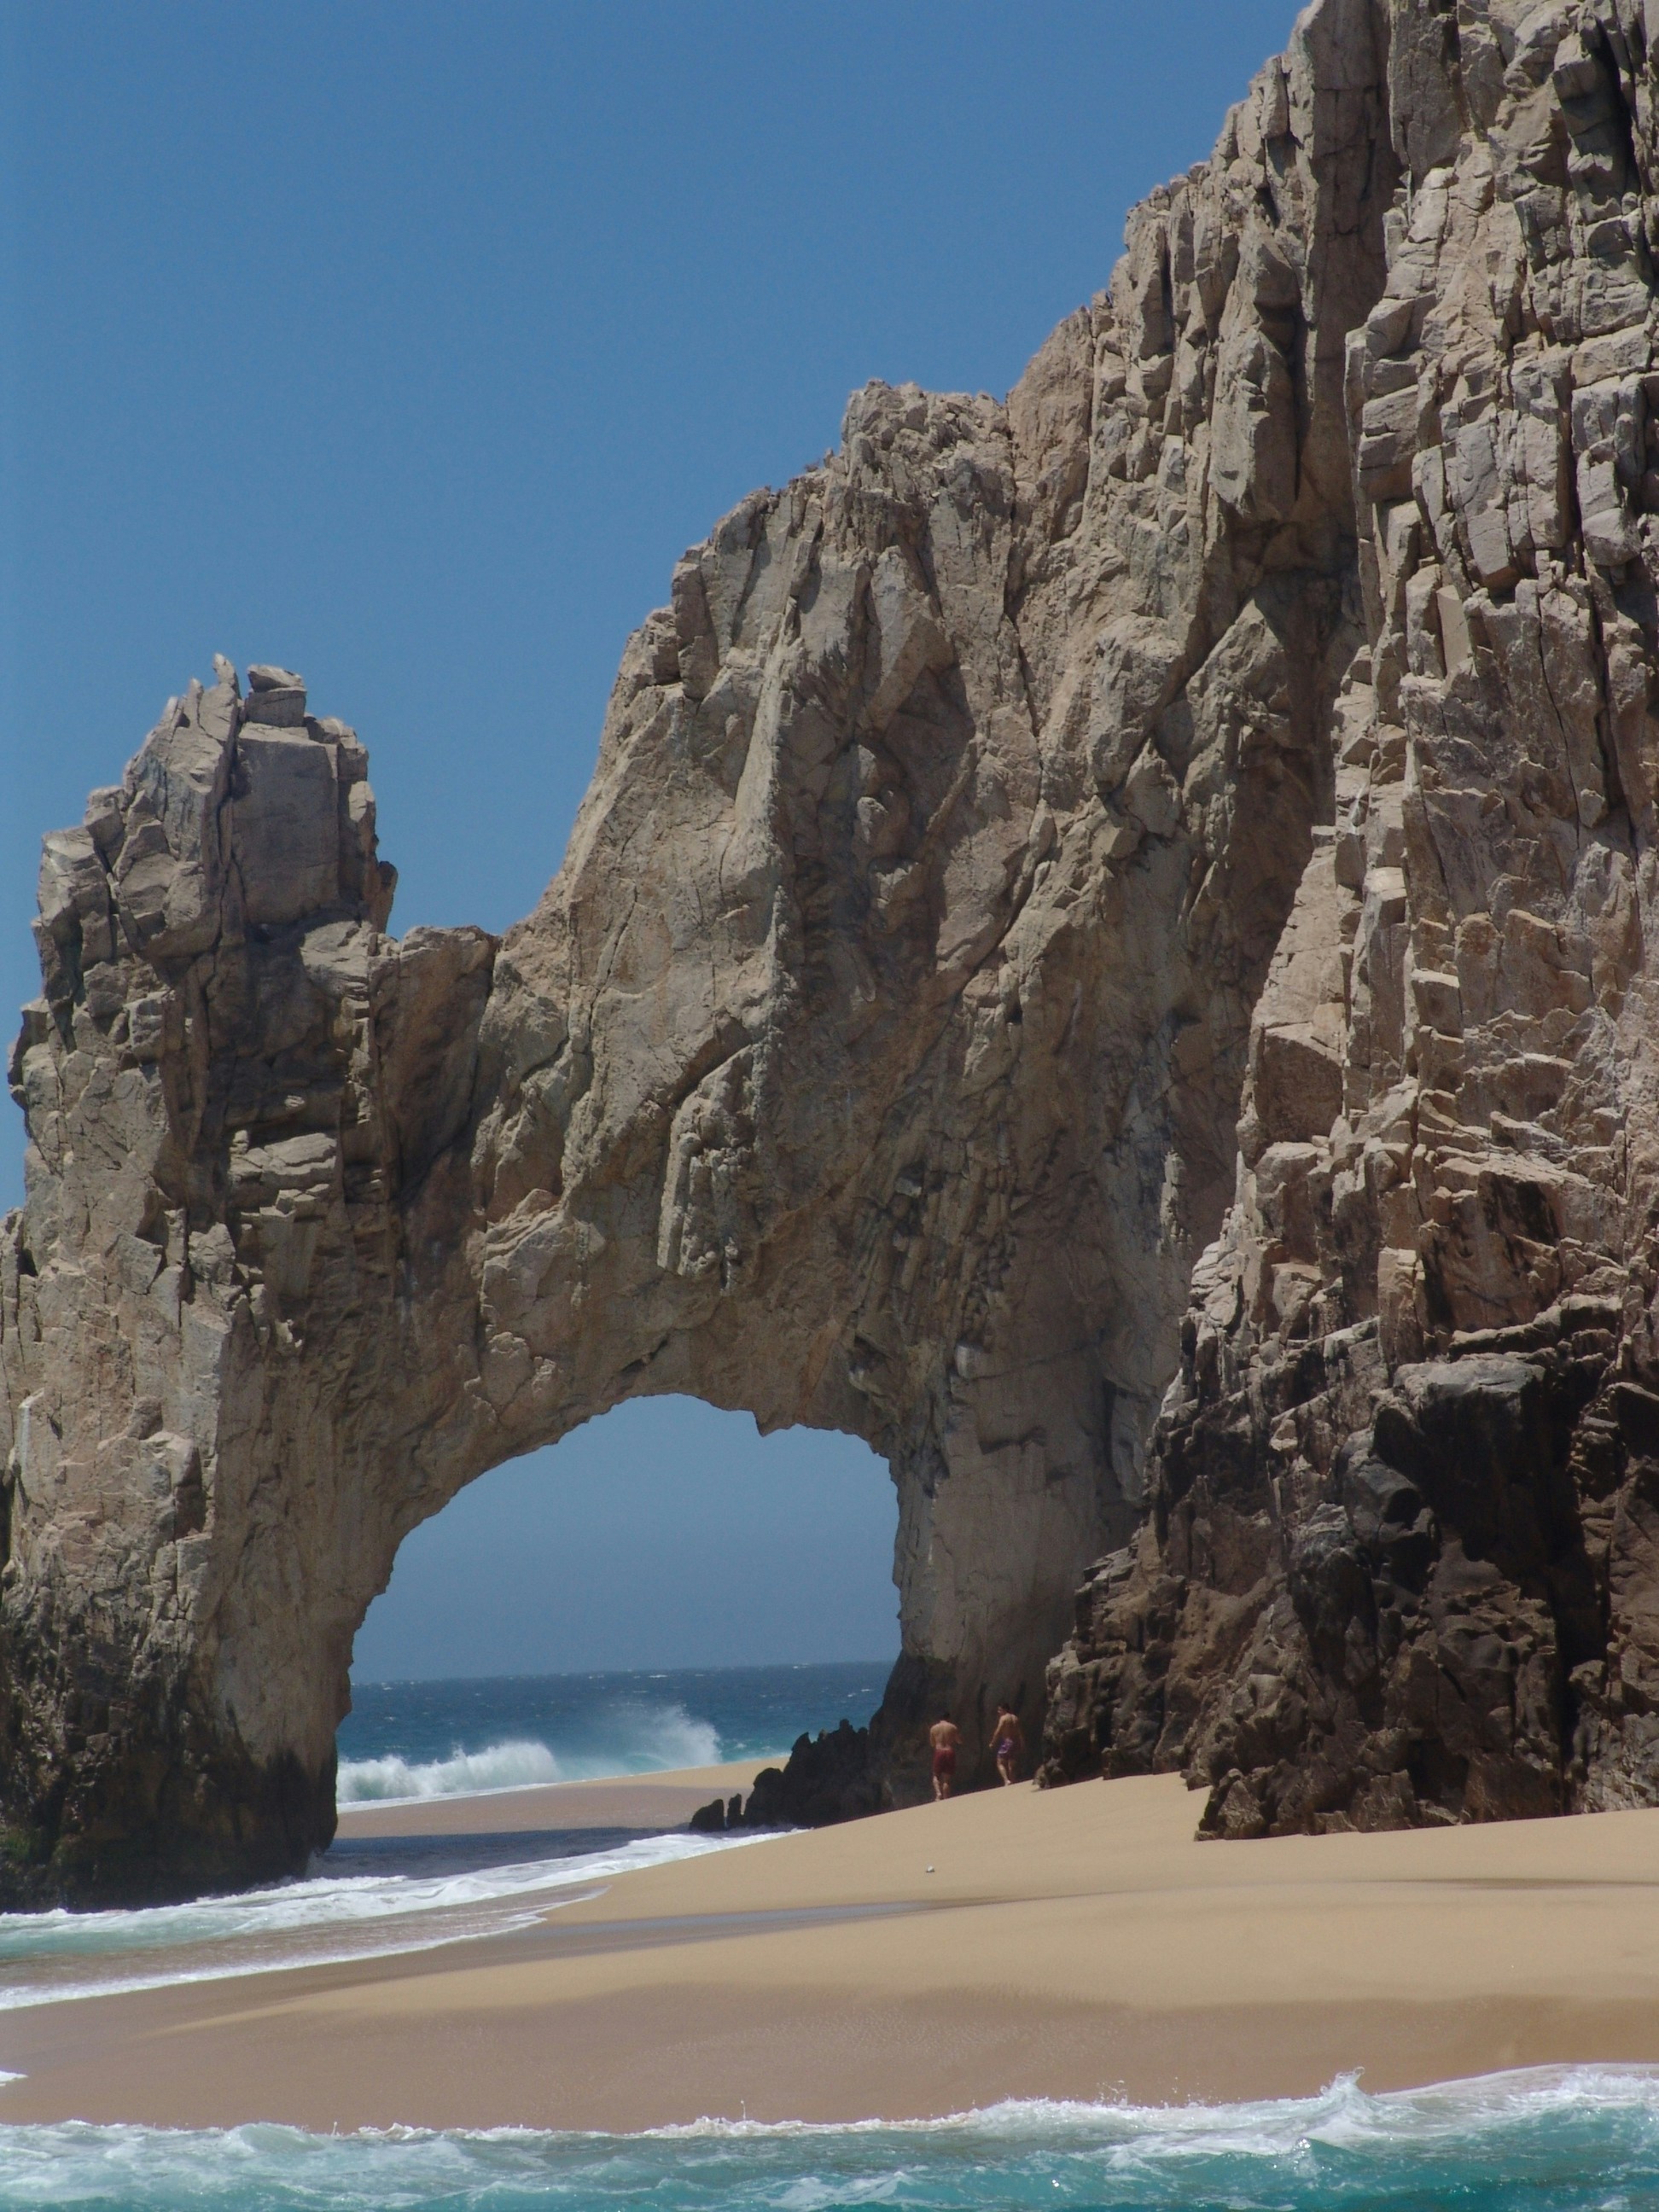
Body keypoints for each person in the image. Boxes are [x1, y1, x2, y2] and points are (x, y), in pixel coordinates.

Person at [989, 1703, 1025, 1785]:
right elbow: (1020, 1732)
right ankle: (1012, 1780)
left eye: (1000, 1710)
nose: (998, 1712)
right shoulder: (1015, 1718)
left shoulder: (1003, 1718)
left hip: (1007, 1742)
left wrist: (992, 1742)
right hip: (1015, 1742)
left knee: (1000, 1762)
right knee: (1011, 1762)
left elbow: (998, 1730)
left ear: (1005, 1710)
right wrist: (1022, 1743)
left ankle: (1006, 1780)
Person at [929, 1714, 961, 1800]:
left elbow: (932, 1743)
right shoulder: (953, 1727)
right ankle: (946, 1799)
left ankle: (938, 1793)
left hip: (939, 1751)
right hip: (949, 1751)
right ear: (948, 1718)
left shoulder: (933, 1728)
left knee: (936, 1776)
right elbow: (959, 1741)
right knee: (946, 1780)